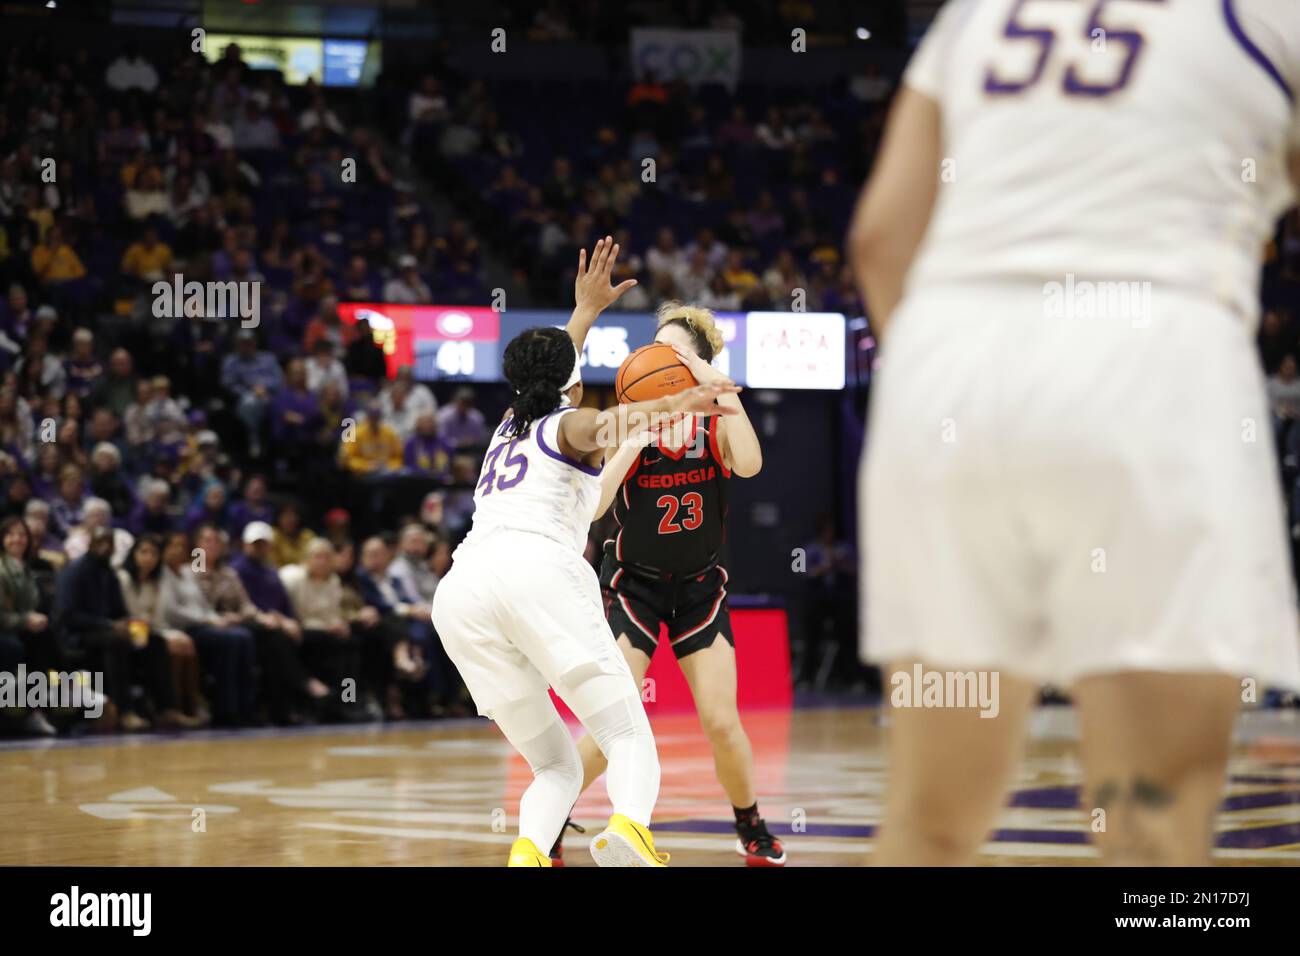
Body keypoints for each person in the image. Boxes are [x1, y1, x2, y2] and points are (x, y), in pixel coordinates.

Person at [847, 0, 1300, 866]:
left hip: (949, 369)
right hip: (1150, 361)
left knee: (929, 827)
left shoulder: (976, 15)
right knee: (1150, 833)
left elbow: (880, 237)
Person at [431, 237, 740, 867]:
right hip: (533, 572)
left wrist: (585, 310)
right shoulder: (569, 423)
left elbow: (552, 363)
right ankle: (629, 831)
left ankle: (529, 857)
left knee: (555, 767)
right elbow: (605, 425)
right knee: (626, 731)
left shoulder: (505, 429)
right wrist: (681, 399)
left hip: (462, 595)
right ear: (569, 382)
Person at [563, 301, 776, 866]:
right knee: (617, 720)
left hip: (700, 591)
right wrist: (634, 436)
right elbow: (594, 507)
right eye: (656, 347)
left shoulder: (716, 424)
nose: (661, 357)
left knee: (722, 723)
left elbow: (751, 464)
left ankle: (749, 822)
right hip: (633, 587)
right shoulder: (626, 417)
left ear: (700, 364)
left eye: (676, 350)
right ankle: (553, 811)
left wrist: (718, 390)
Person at [156, 530, 257, 727]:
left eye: (182, 546)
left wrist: (216, 619)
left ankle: (245, 707)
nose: (178, 550)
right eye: (173, 546)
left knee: (244, 636)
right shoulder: (164, 573)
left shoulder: (186, 571)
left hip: (204, 623)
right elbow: (173, 611)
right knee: (232, 639)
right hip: (183, 628)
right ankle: (225, 709)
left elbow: (203, 604)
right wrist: (209, 620)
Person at [117, 535, 207, 728]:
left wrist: (170, 635)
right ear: (133, 555)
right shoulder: (123, 579)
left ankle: (186, 708)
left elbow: (156, 621)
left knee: (185, 645)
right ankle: (166, 708)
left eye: (153, 553)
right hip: (127, 633)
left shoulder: (155, 582)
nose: (148, 558)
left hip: (150, 631)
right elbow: (130, 616)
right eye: (144, 552)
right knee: (170, 647)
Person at [0, 516, 56, 736]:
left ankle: (37, 711)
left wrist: (30, 620)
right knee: (16, 647)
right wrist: (25, 620)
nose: (17, 539)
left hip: (14, 628)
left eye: (22, 535)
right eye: (11, 534)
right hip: (5, 630)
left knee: (44, 637)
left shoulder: (27, 569)